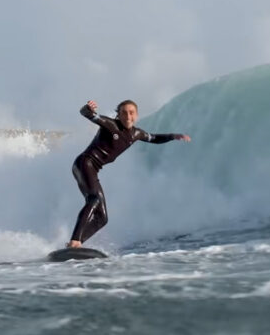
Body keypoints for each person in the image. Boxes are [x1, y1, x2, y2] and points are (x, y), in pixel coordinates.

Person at [66, 99, 191, 249]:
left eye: (131, 113)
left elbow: (154, 138)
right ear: (118, 115)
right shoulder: (111, 125)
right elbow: (87, 114)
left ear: (136, 115)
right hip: (84, 164)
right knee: (93, 200)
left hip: (93, 168)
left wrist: (172, 136)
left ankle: (75, 245)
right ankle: (75, 241)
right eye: (124, 113)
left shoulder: (136, 134)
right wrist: (88, 109)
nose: (128, 116)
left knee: (102, 218)